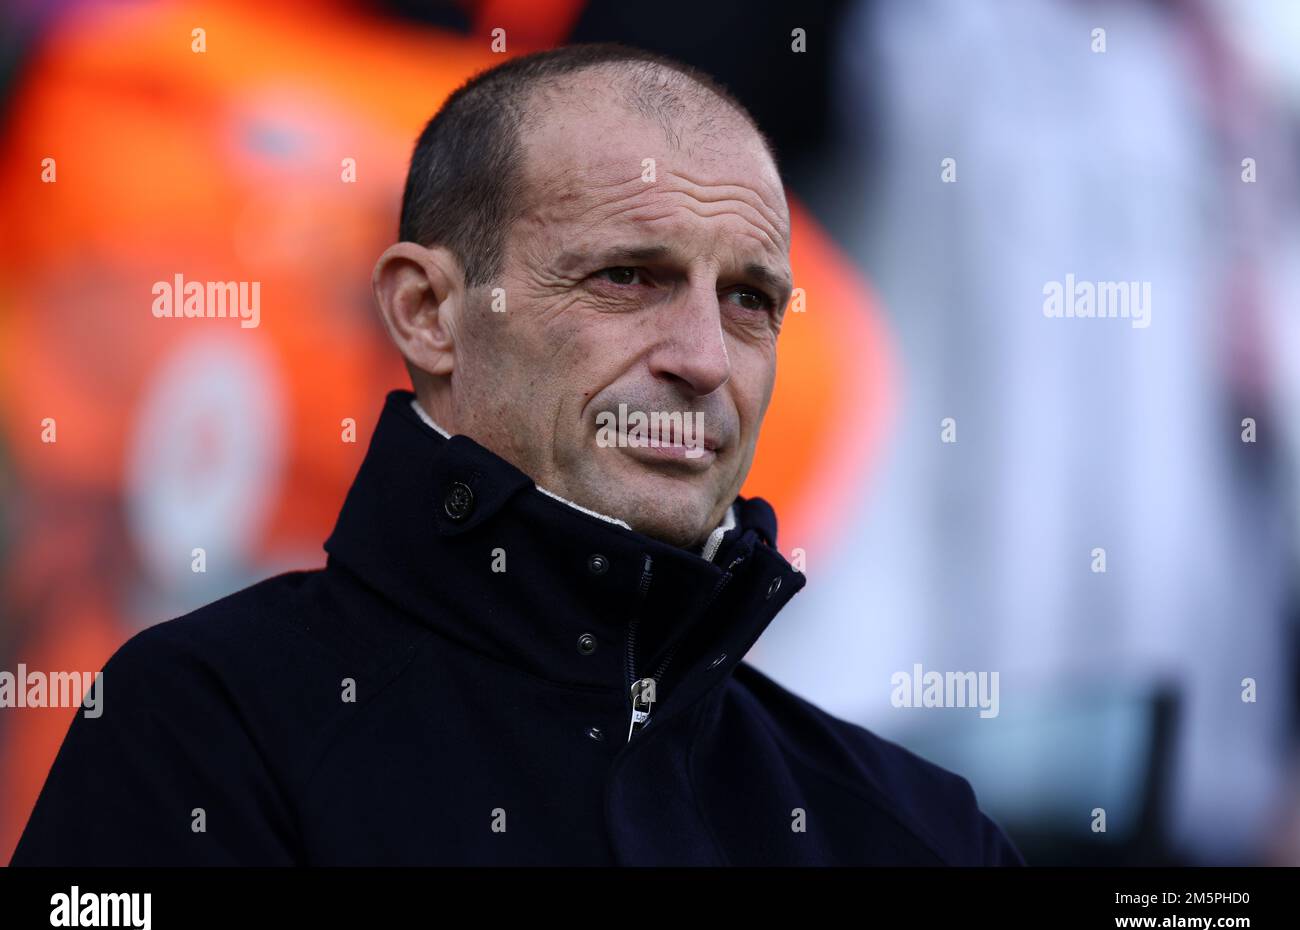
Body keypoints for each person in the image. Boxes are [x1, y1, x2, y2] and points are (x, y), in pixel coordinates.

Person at [11, 42, 1023, 866]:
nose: (705, 360)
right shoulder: (198, 730)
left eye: (750, 300)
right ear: (427, 311)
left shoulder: (913, 827)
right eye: (629, 277)